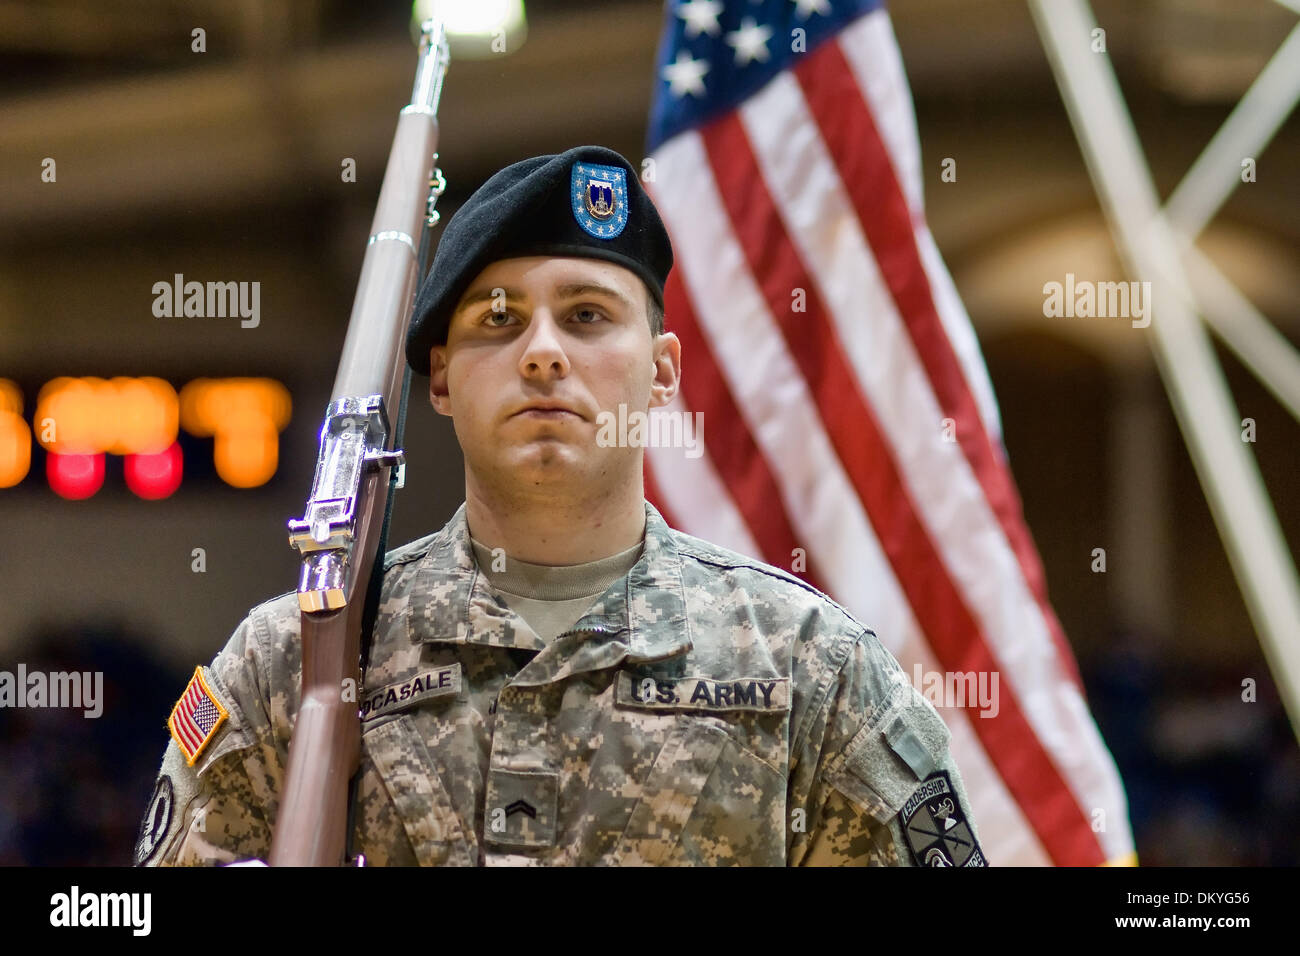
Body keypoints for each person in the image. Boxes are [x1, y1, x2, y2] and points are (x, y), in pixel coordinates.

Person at [135, 145, 987, 867]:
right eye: (498, 321)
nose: (542, 354)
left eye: (586, 316)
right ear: (441, 379)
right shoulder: (289, 665)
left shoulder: (812, 668)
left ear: (661, 372)